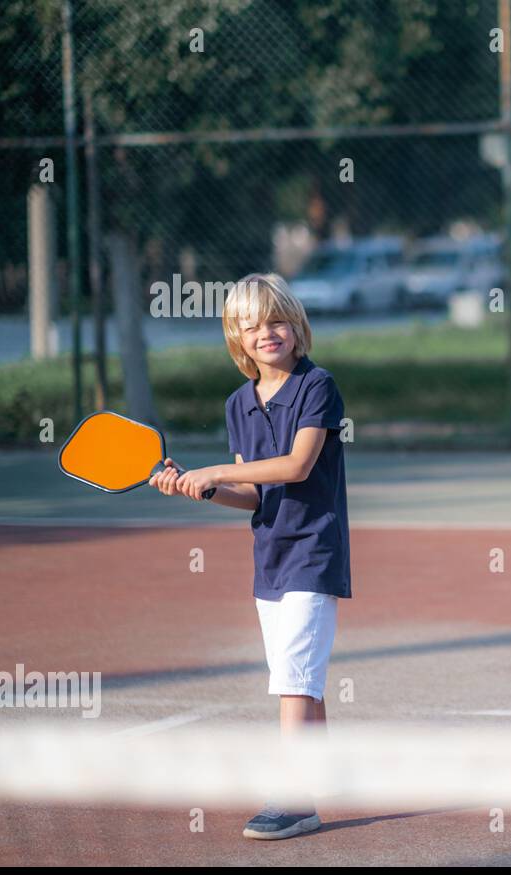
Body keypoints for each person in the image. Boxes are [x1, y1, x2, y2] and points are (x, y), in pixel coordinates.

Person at [150, 272, 350, 840]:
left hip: (316, 548)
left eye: (277, 320)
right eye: (252, 324)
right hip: (270, 556)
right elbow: (255, 494)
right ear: (236, 337)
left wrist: (216, 469)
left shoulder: (318, 386)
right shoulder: (238, 403)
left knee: (293, 673)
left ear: (296, 324)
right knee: (295, 673)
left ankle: (296, 797)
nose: (267, 332)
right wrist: (204, 488)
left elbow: (296, 466)